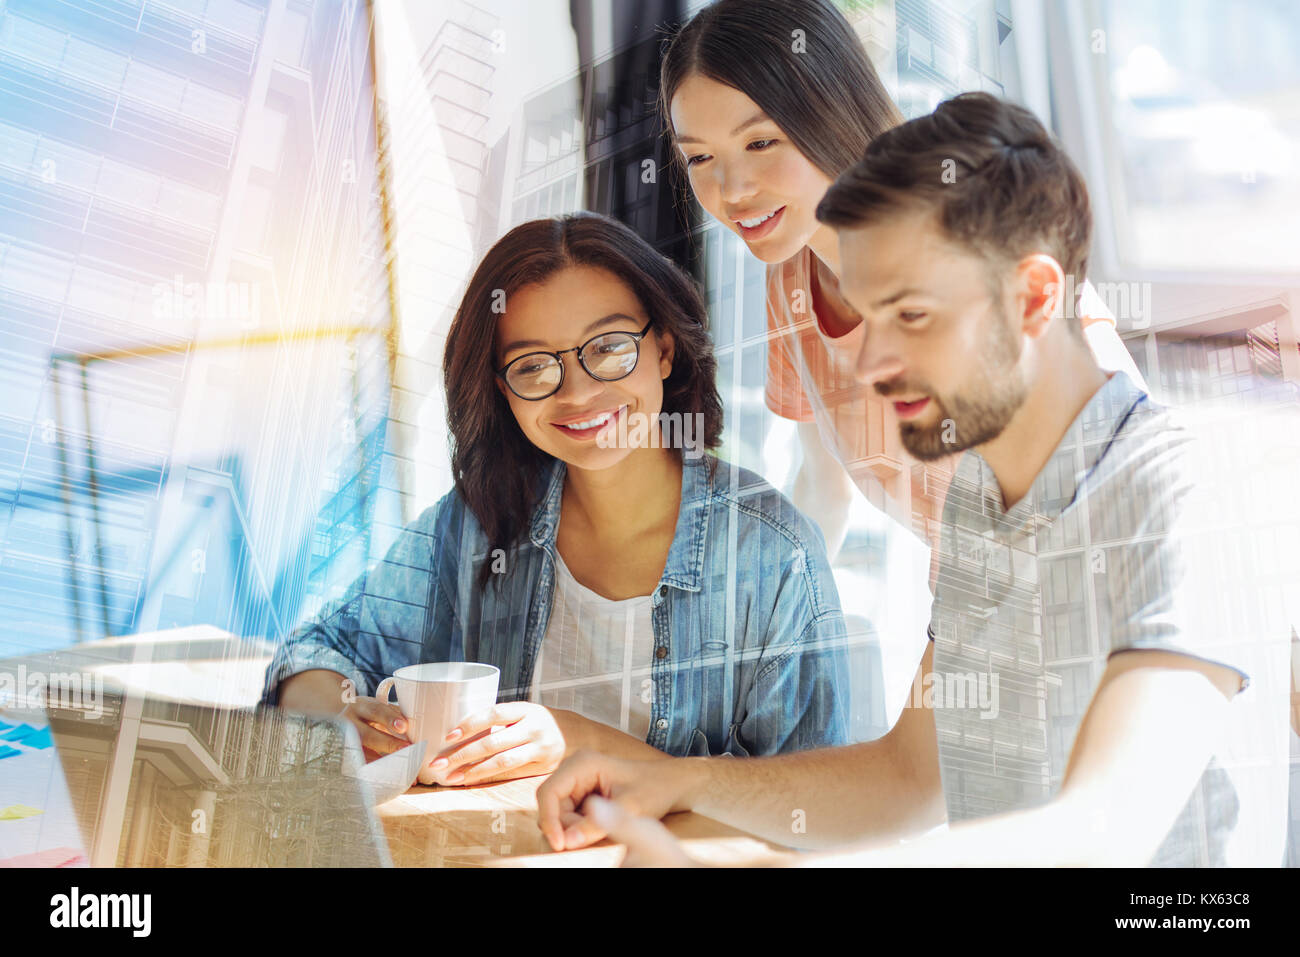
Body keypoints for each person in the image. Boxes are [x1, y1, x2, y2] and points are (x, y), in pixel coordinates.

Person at [535, 94, 1296, 866]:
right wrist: (678, 783)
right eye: (869, 318)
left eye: (911, 315)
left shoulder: (1179, 490)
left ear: (1033, 297)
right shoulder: (977, 495)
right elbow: (906, 778)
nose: (869, 364)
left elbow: (1101, 827)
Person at [263, 212, 854, 787]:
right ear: (502, 389)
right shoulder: (481, 520)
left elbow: (809, 808)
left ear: (665, 349)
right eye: (533, 366)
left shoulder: (773, 553)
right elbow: (315, 650)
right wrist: (340, 718)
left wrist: (579, 740)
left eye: (609, 347)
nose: (578, 392)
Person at [659, 0, 1146, 561]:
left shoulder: (968, 233)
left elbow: (1113, 466)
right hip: (975, 610)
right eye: (698, 158)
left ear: (832, 110)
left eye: (761, 142)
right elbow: (824, 488)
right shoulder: (792, 280)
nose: (732, 188)